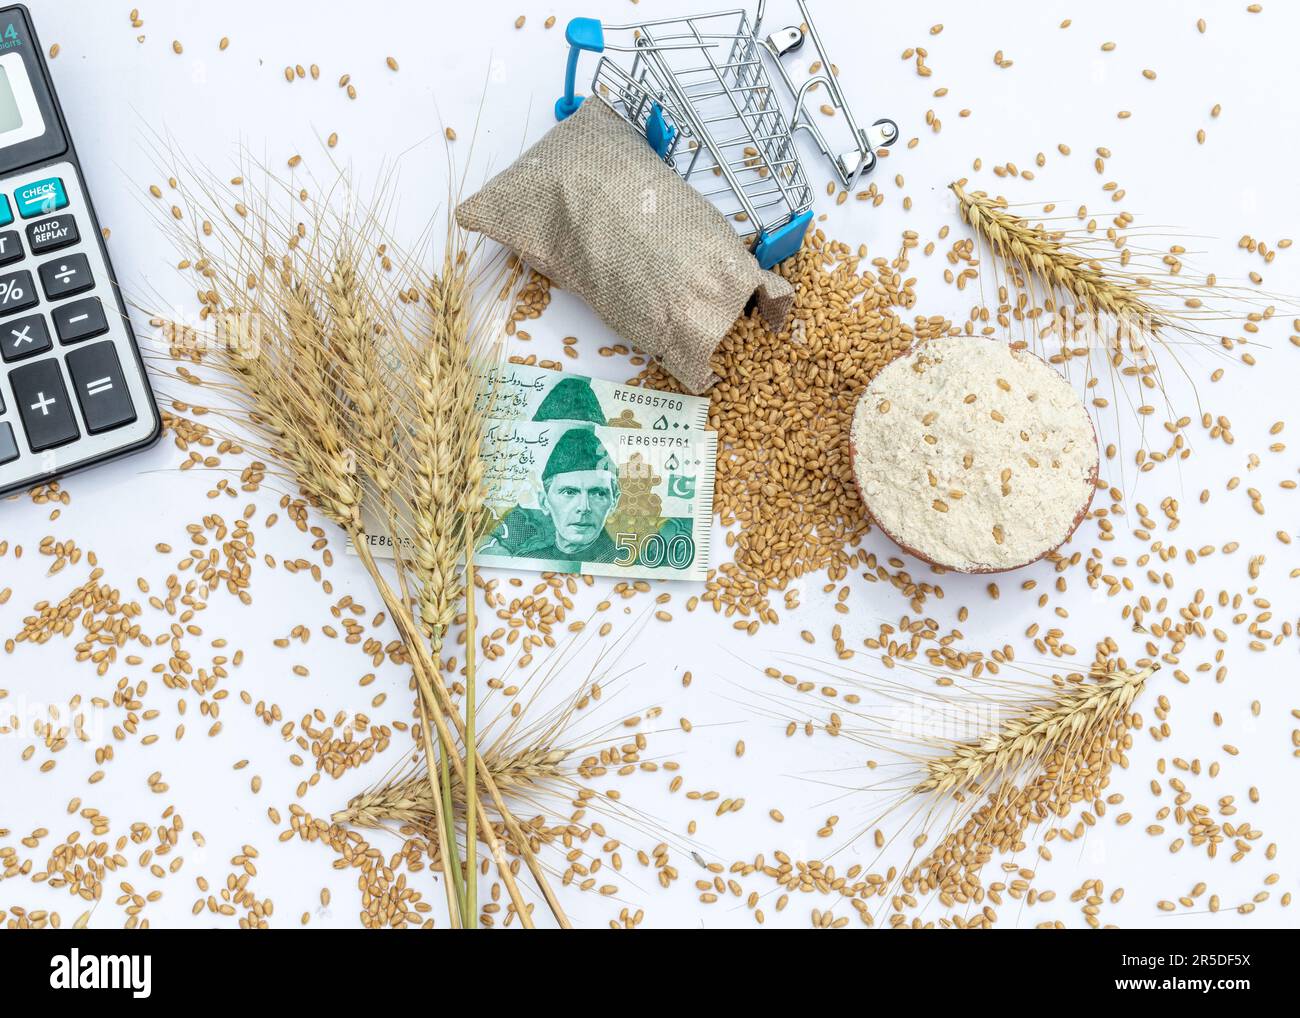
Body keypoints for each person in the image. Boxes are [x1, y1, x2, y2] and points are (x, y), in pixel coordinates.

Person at [481, 427, 621, 565]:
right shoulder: (528, 560)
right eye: (569, 492)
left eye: (598, 493)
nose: (584, 507)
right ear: (544, 502)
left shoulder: (626, 563)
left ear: (614, 501)